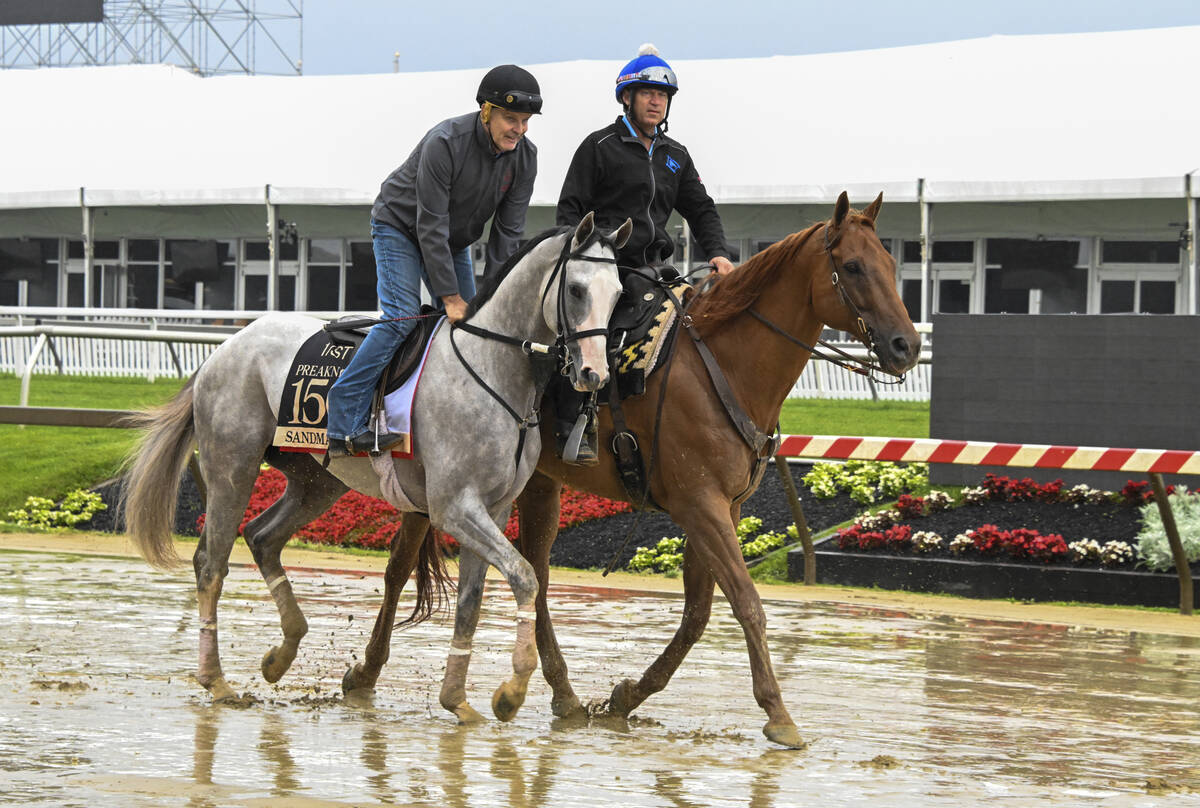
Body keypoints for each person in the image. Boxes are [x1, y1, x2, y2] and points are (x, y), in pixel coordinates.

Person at [325, 64, 541, 458]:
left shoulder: (526, 157)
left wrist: (493, 300)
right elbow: (430, 226)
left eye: (526, 121)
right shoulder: (445, 140)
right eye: (512, 118)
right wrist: (450, 298)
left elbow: (506, 238)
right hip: (401, 226)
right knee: (403, 318)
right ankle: (343, 423)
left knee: (477, 327)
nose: (520, 129)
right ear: (486, 111)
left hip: (452, 239)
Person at [552, 44, 734, 465]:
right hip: (606, 267)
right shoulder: (598, 146)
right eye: (648, 93)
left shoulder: (676, 156)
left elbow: (701, 209)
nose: (656, 101)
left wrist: (719, 254)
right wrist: (586, 260)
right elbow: (569, 212)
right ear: (627, 98)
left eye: (663, 95)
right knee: (590, 335)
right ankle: (573, 421)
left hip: (658, 269)